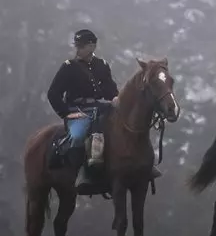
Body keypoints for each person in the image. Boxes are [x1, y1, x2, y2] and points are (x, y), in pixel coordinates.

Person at [47, 29, 158, 193]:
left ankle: (142, 165)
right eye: (77, 46)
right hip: (78, 110)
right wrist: (66, 113)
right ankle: (82, 174)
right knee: (77, 137)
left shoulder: (102, 65)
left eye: (82, 46)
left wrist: (115, 97)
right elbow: (53, 94)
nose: (78, 50)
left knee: (125, 128)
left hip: (102, 107)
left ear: (92, 46)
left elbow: (110, 89)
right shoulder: (68, 67)